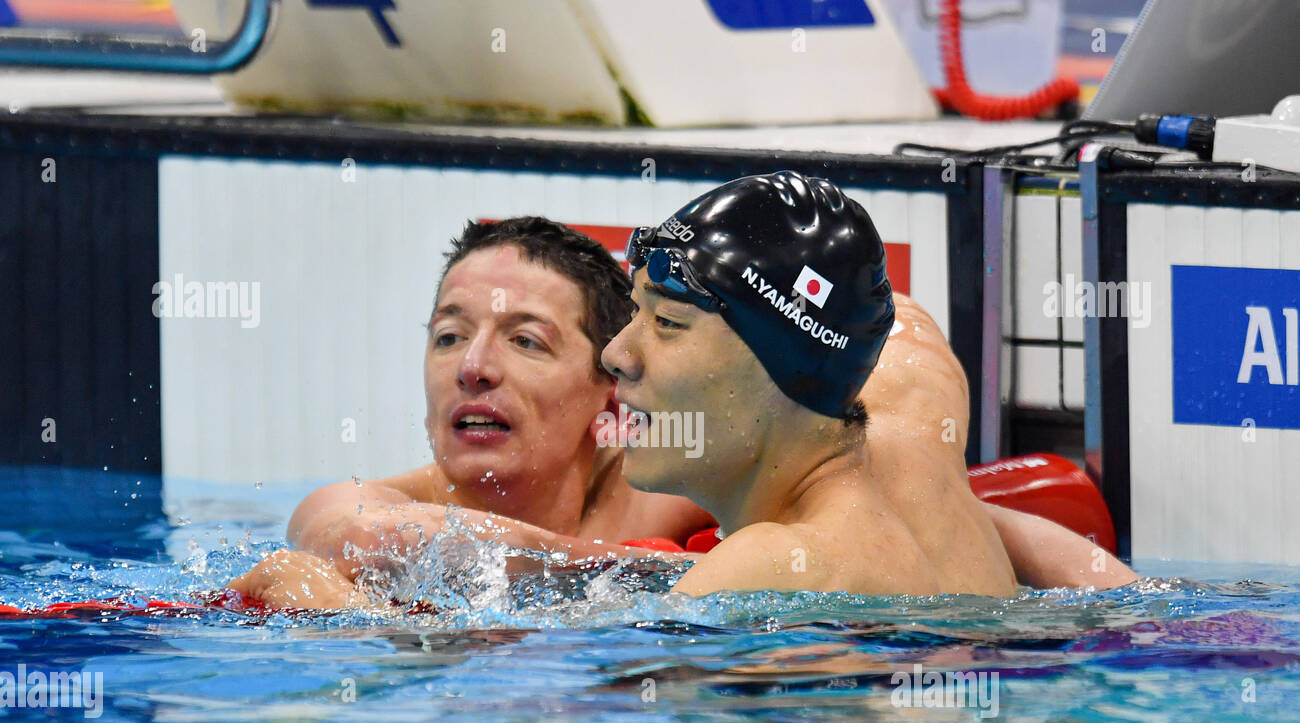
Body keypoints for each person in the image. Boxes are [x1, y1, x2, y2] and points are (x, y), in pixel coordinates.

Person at [230, 200, 1135, 607]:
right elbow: (881, 325)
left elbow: (586, 715)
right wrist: (1121, 603)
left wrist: (340, 618)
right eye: (446, 333)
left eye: (528, 340)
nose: (473, 368)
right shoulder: (894, 420)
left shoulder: (757, 564)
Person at [599, 170, 1132, 597]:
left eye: (667, 323)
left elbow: (608, 715)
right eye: (634, 312)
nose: (616, 354)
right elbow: (895, 321)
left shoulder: (768, 566)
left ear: (783, 369)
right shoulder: (916, 419)